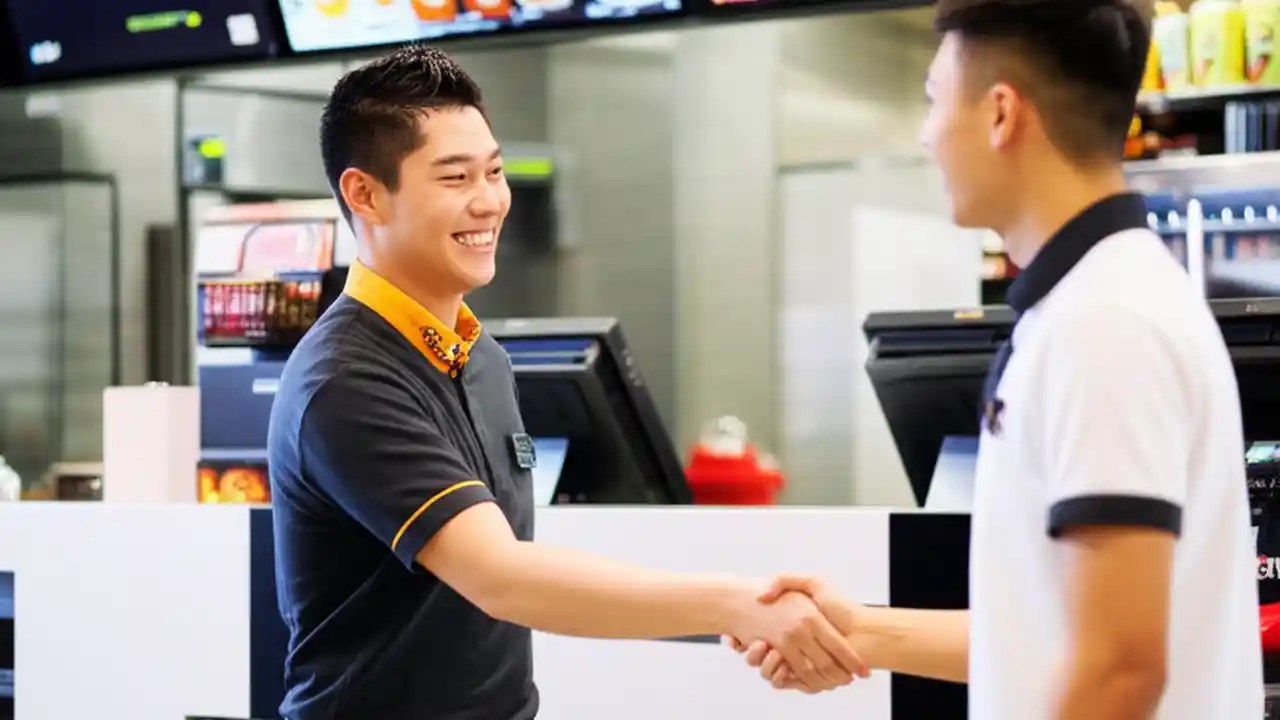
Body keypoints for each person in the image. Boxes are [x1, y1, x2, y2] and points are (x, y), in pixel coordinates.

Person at [266, 45, 865, 720]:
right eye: (455, 178)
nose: (489, 202)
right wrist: (739, 606)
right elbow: (501, 579)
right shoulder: (345, 380)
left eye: (494, 172)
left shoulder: (481, 357)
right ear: (365, 194)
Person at [731, 0, 1266, 718]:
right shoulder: (1084, 305)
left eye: (933, 101)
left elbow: (1118, 670)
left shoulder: (1106, 322)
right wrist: (859, 631)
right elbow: (1054, 639)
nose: (925, 136)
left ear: (1000, 114)